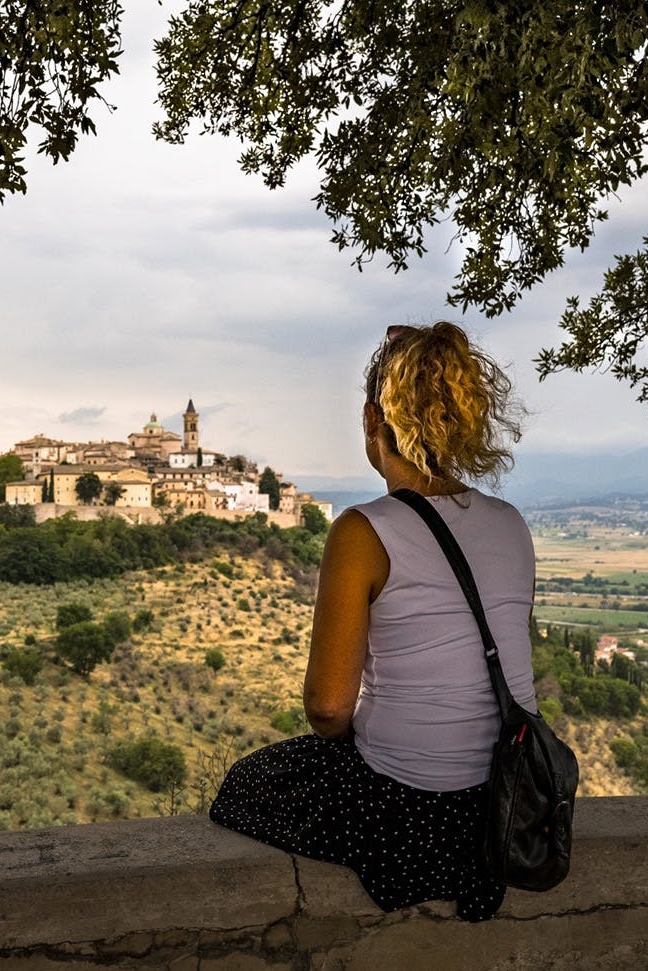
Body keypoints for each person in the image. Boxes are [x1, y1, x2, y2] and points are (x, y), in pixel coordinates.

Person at [209, 321, 537, 921]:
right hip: (503, 808)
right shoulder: (510, 523)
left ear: (371, 420)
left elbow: (329, 709)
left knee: (246, 785)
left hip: (411, 814)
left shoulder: (363, 530)